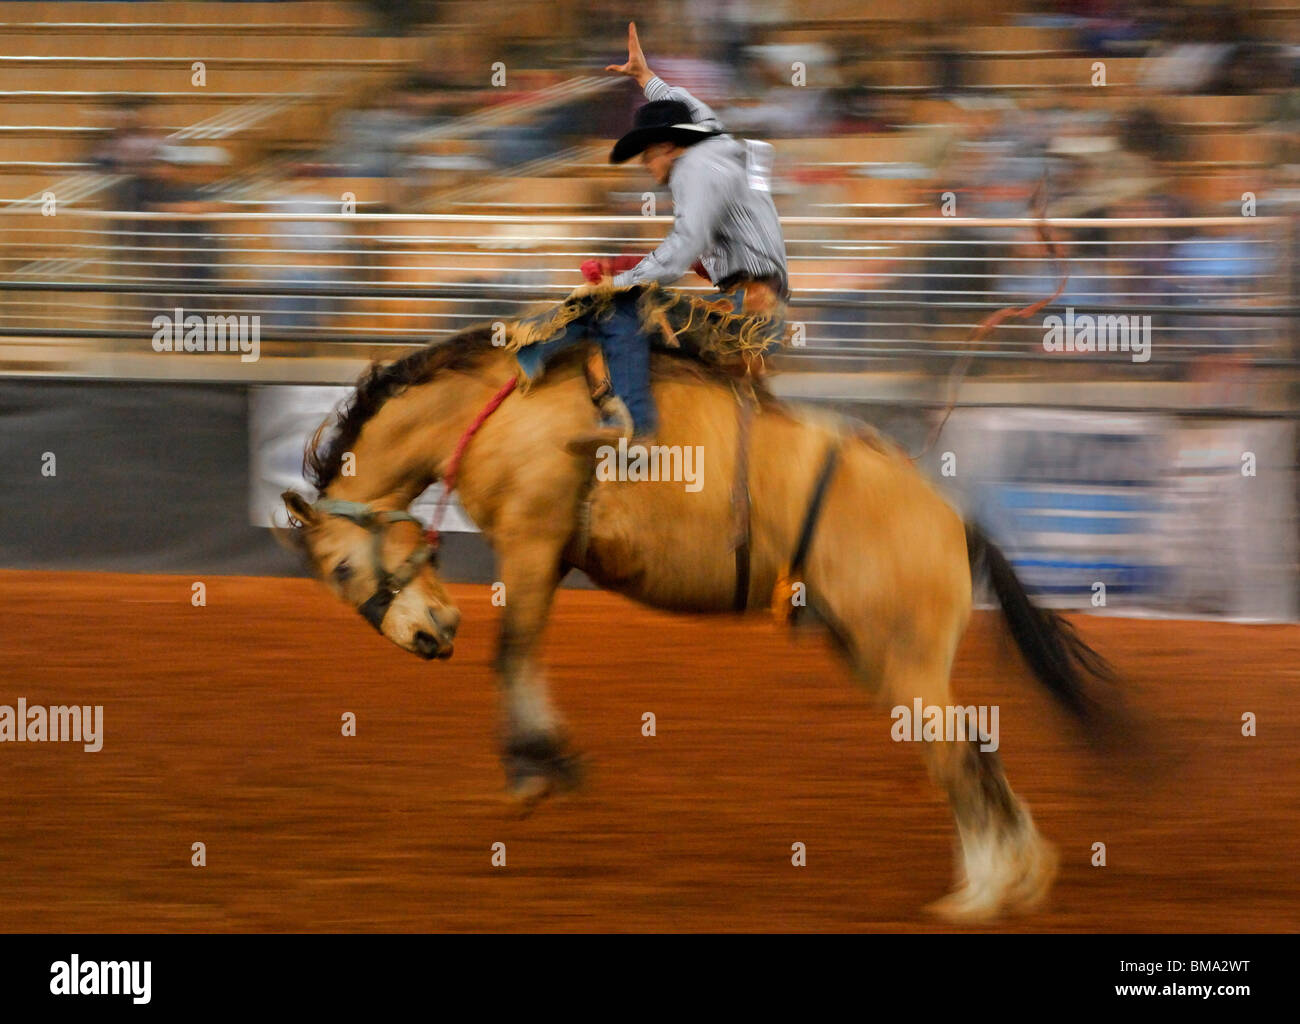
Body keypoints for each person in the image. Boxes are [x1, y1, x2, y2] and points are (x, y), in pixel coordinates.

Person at [513, 21, 790, 442]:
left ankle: (632, 425)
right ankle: (535, 352)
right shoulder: (713, 143)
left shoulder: (692, 169)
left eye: (646, 155)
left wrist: (618, 282)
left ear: (666, 146)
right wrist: (646, 78)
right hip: (752, 300)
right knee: (617, 299)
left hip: (747, 315)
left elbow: (683, 248)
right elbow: (691, 109)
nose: (645, 165)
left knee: (621, 307)